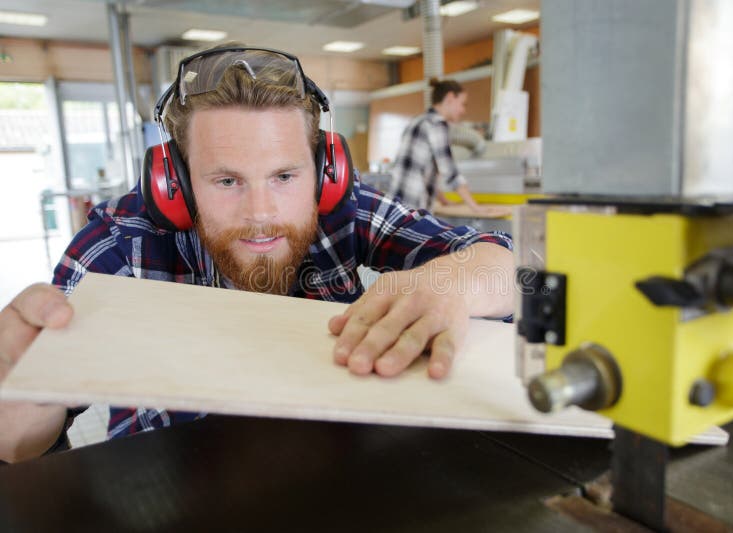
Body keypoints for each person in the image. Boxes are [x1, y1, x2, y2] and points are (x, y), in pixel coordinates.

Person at [0, 45, 514, 464]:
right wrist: (19, 395)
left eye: (285, 176)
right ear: (172, 183)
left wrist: (454, 282)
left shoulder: (345, 210)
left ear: (325, 171)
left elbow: (521, 272)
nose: (262, 212)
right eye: (226, 180)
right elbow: (22, 441)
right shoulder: (120, 244)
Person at [387, 78, 491, 214]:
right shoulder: (437, 124)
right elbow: (450, 173)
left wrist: (443, 199)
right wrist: (475, 207)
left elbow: (424, 170)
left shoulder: (418, 120)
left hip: (395, 206)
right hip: (412, 208)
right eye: (462, 104)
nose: (463, 110)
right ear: (450, 98)